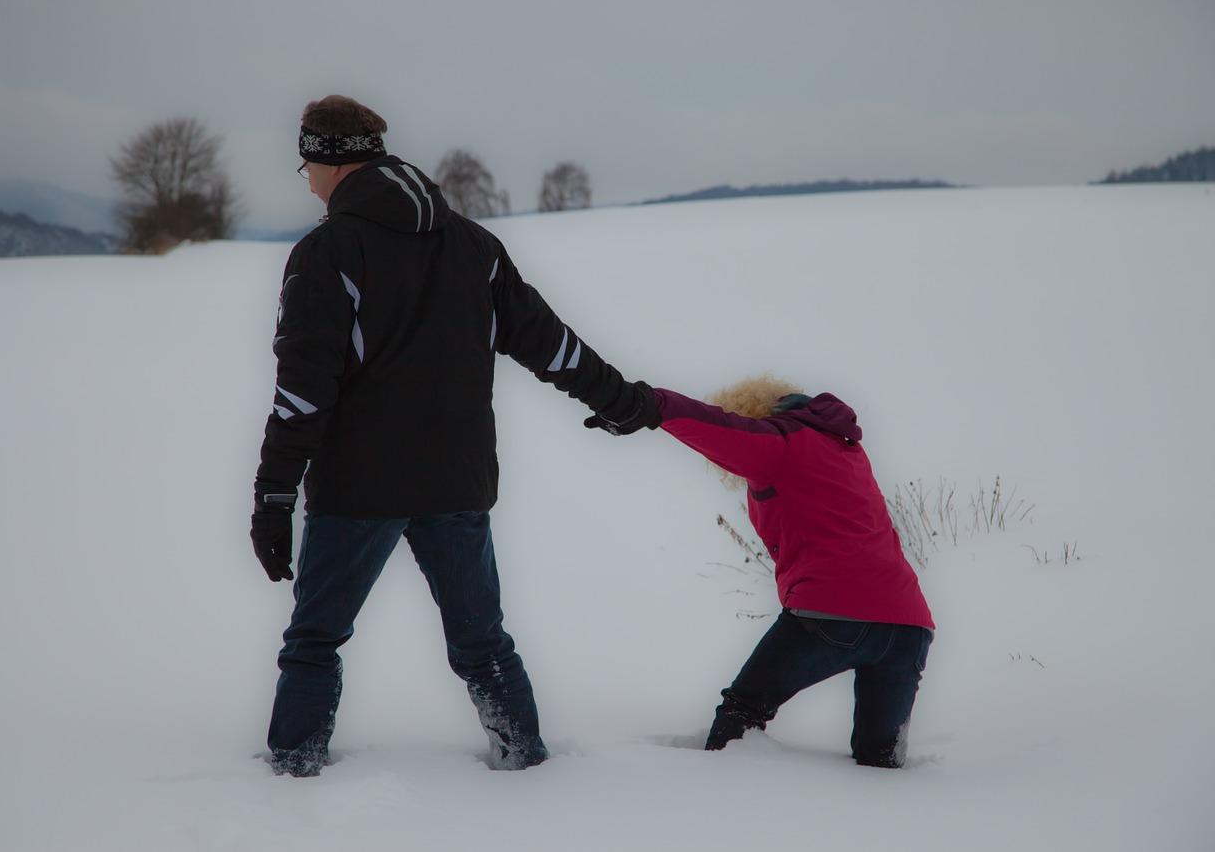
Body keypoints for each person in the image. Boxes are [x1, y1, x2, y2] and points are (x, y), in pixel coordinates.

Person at [250, 95, 655, 777]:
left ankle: (291, 769)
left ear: (330, 161)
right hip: (456, 480)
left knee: (315, 639)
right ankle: (524, 762)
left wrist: (273, 495)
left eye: (306, 167)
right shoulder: (473, 245)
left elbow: (301, 393)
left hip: (359, 489)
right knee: (483, 642)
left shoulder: (328, 253)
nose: (308, 182)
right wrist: (619, 400)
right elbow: (549, 344)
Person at [585, 375, 935, 768]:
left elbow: (714, 428)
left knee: (742, 711)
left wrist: (649, 403)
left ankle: (728, 804)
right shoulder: (847, 449)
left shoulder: (782, 443)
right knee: (880, 761)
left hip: (832, 615)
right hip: (909, 626)